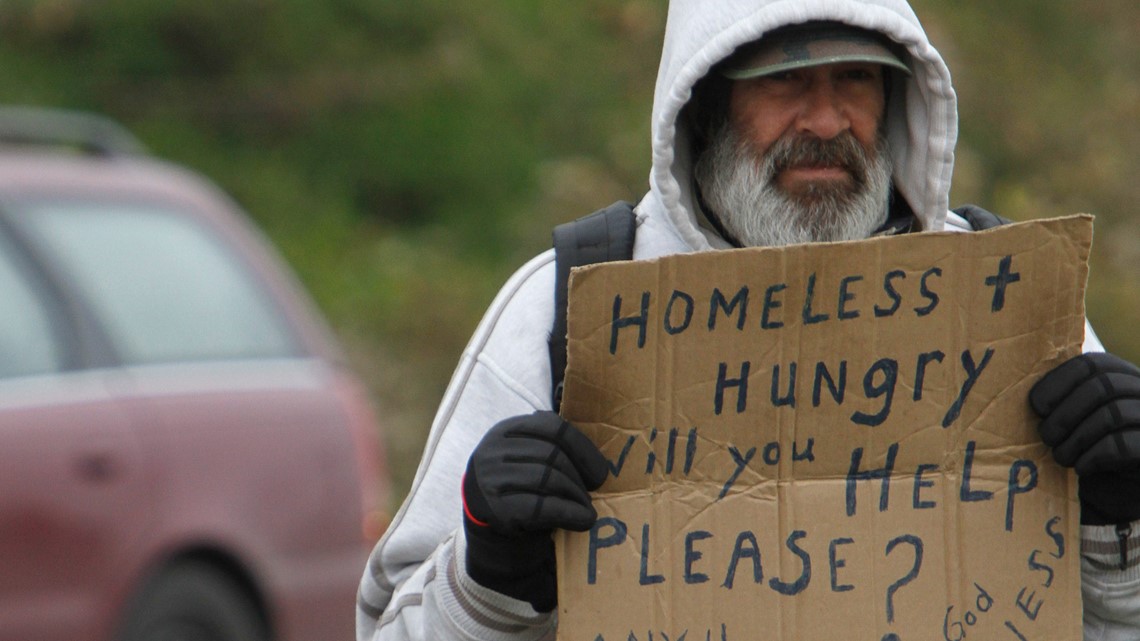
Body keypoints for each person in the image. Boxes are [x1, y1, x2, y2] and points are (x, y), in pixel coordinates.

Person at [357, 1, 1140, 639]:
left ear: (898, 99)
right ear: (706, 100)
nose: (827, 120)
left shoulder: (1004, 302)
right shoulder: (570, 308)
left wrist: (1120, 525)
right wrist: (491, 574)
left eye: (857, 80)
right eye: (785, 81)